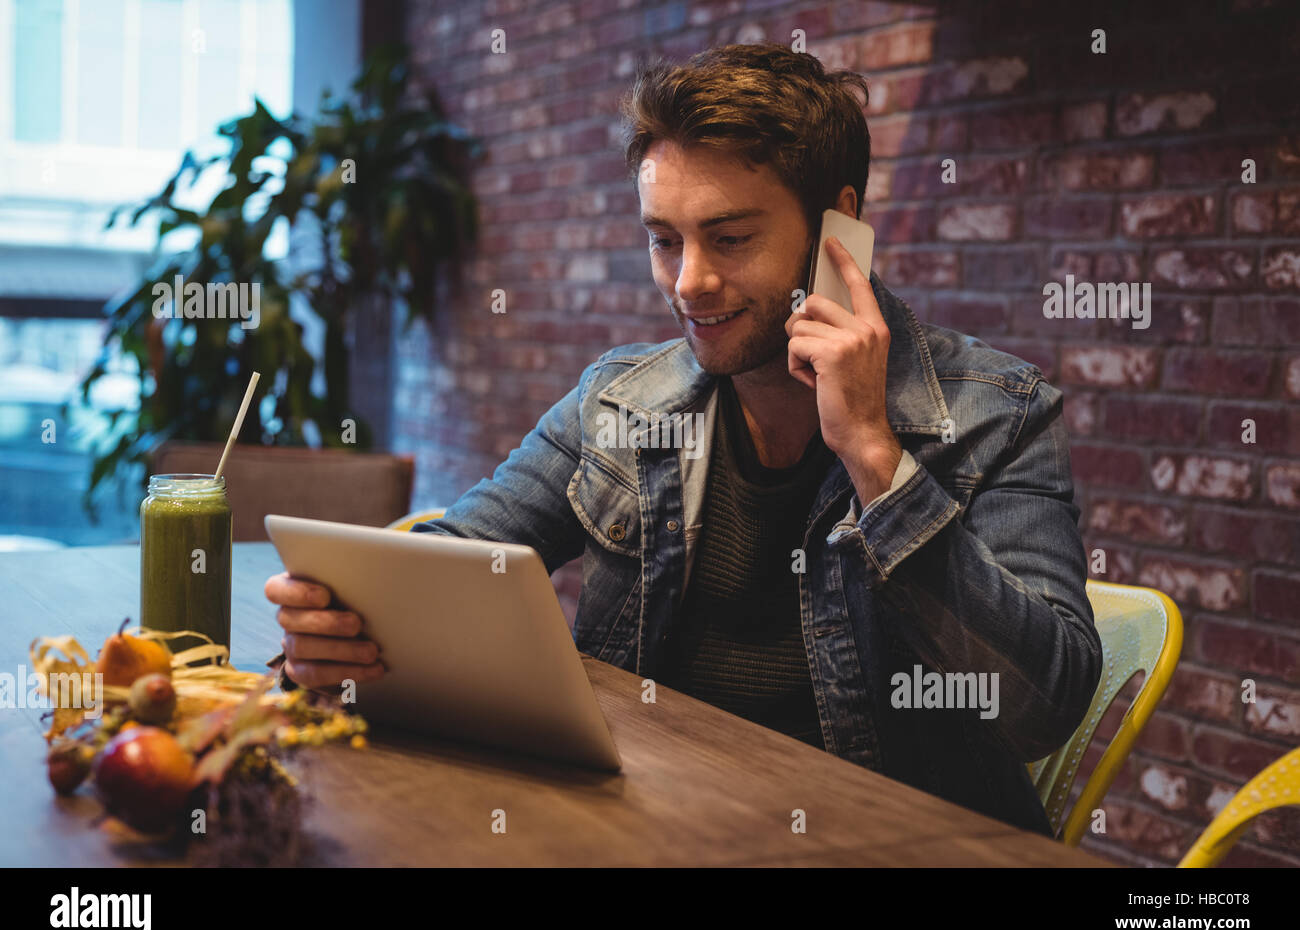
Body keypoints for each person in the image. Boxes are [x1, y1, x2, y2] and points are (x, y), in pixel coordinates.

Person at [265, 43, 1101, 836]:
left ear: (839, 227)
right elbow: (453, 559)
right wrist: (343, 628)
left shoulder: (999, 415)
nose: (689, 282)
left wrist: (878, 460)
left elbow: (1043, 703)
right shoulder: (624, 402)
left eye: (731, 238)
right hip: (655, 826)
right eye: (664, 241)